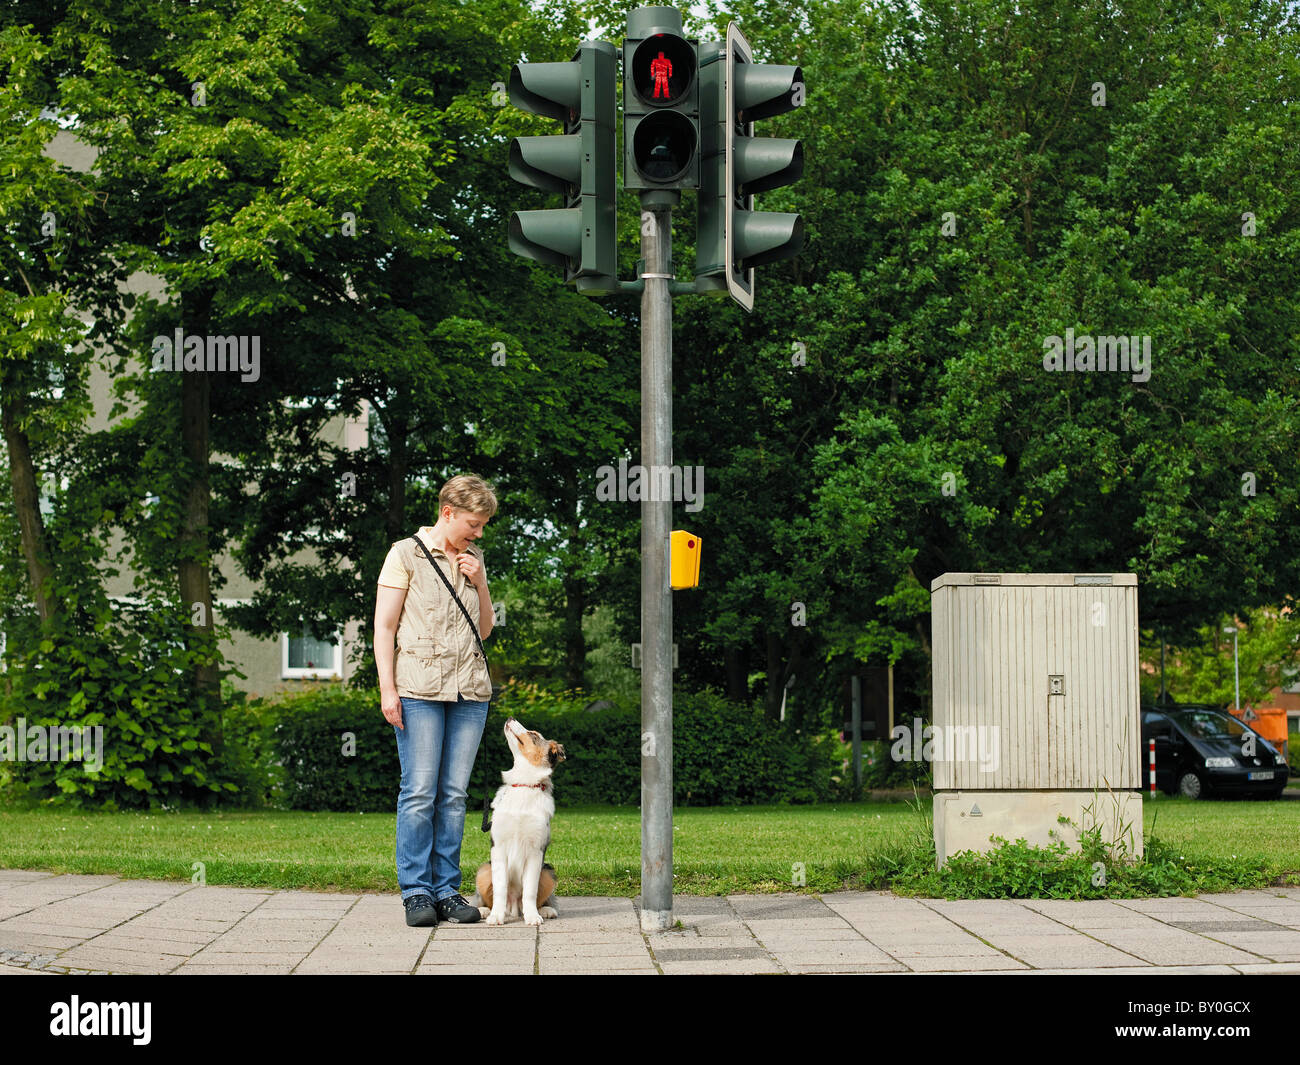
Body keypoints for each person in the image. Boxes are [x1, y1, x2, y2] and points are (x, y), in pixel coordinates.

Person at [373, 474, 497, 927]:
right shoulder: (404, 554)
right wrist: (388, 689)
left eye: (483, 525)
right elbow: (384, 628)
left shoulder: (473, 559)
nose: (479, 532)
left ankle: (447, 889)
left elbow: (484, 631)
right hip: (418, 691)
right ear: (448, 512)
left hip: (470, 693)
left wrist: (480, 583)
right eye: (474, 523)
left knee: (453, 795)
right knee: (420, 791)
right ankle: (416, 891)